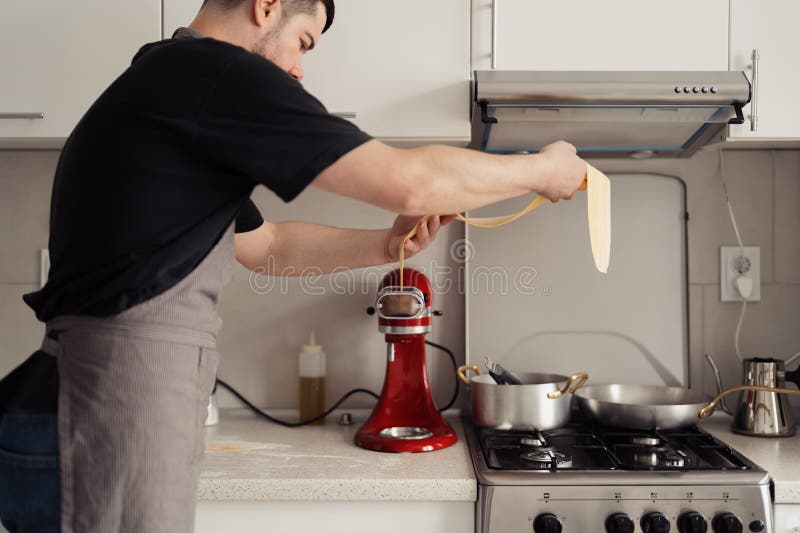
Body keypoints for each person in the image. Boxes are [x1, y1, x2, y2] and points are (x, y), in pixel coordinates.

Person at [0, 0, 587, 531]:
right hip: (122, 388)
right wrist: (540, 169)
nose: (301, 69)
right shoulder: (214, 73)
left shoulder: (173, 83)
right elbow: (412, 182)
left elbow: (268, 246)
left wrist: (385, 248)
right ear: (267, 6)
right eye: (304, 41)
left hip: (107, 386)